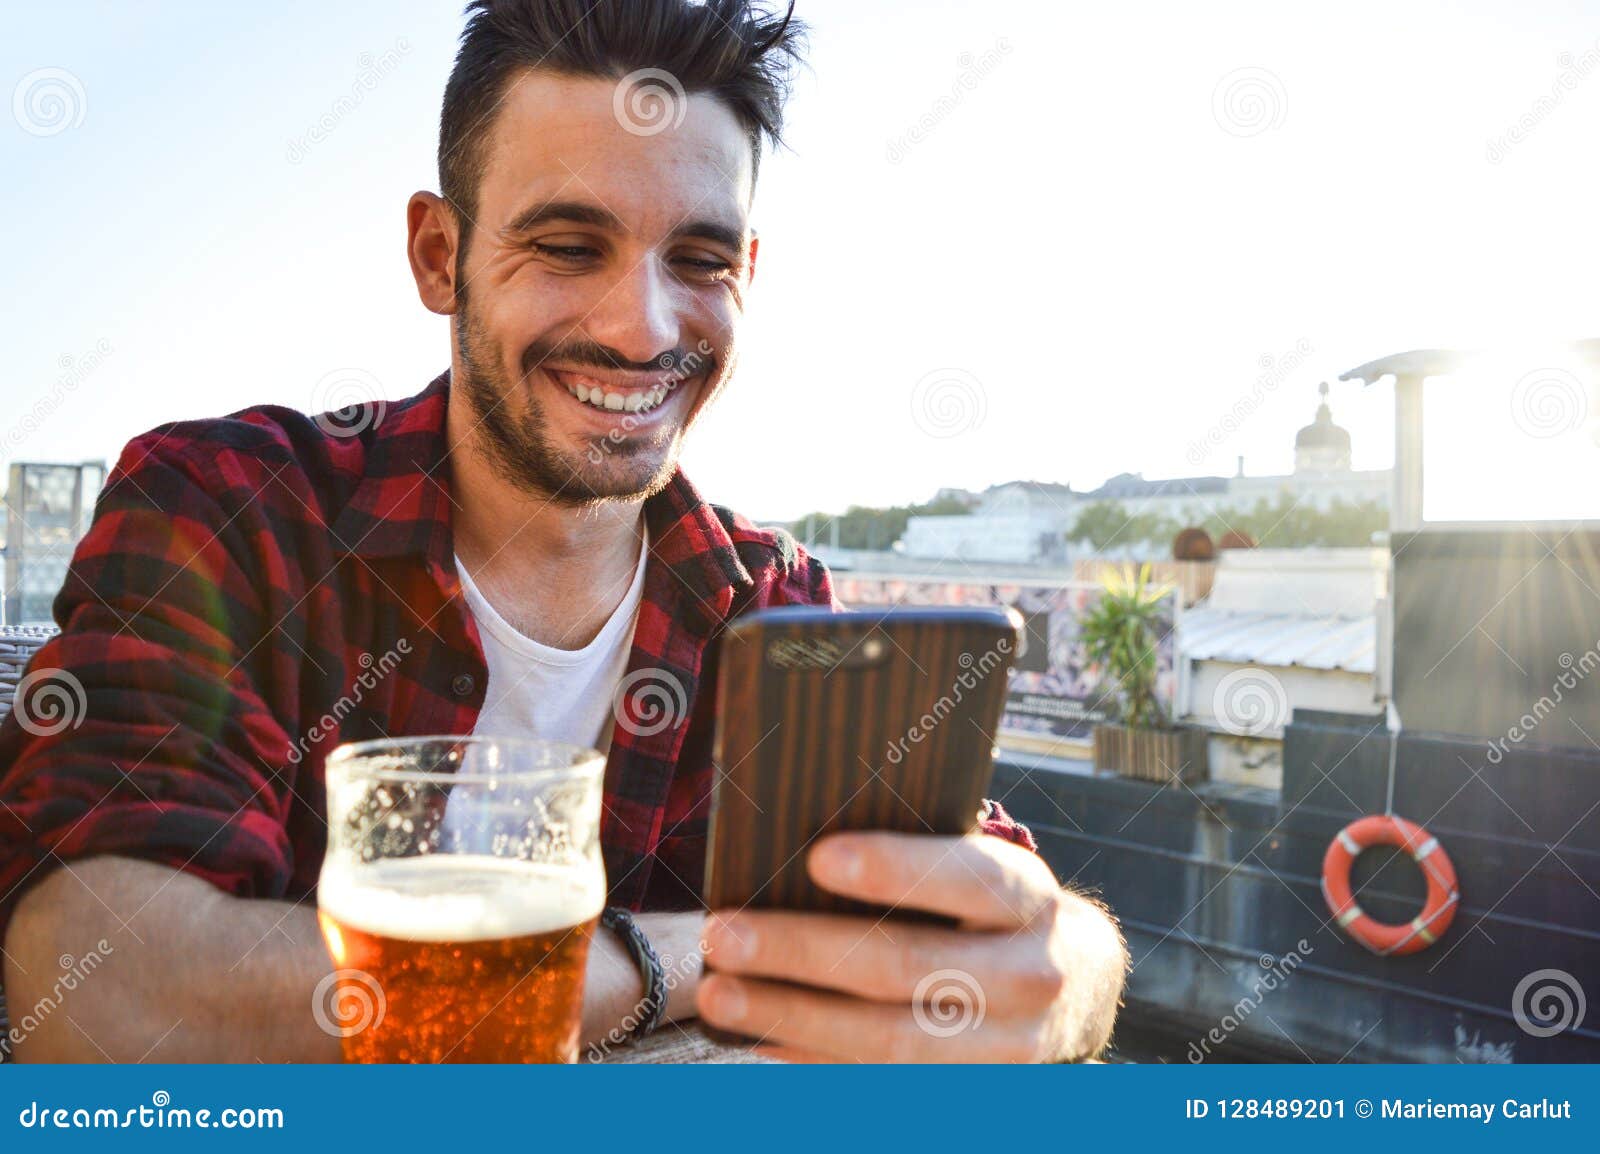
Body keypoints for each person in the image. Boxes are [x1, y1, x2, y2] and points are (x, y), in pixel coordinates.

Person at [0, 0, 1126, 1063]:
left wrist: (1061, 971)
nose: (641, 329)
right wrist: (669, 956)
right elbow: (101, 993)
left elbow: (1040, 931)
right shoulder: (234, 511)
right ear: (439, 256)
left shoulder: (770, 603)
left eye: (698, 258)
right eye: (568, 245)